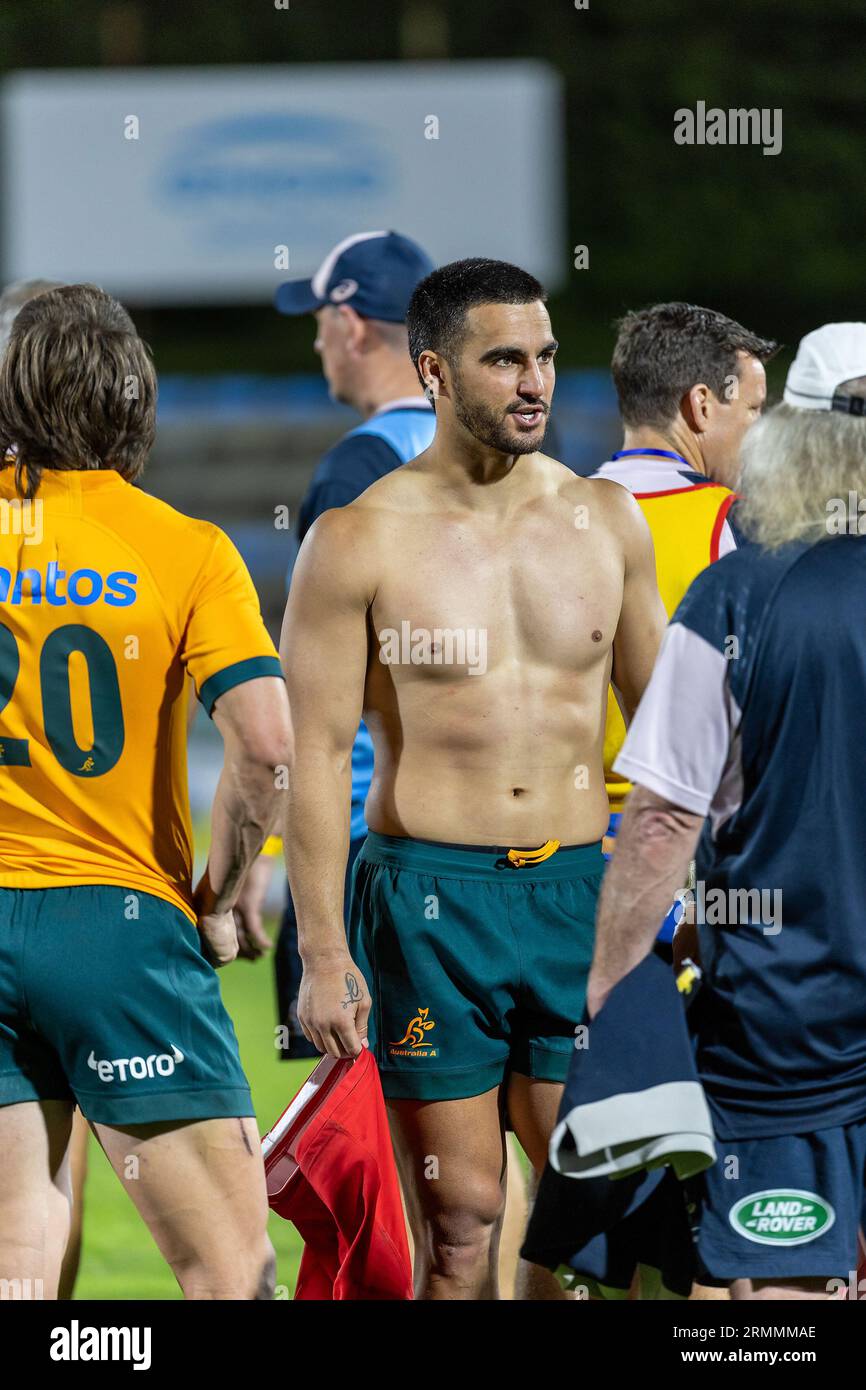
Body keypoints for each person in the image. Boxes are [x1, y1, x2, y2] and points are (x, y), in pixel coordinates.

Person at [281, 257, 667, 1299]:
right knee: (461, 1220)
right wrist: (320, 950)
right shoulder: (353, 538)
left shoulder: (605, 521)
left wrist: (693, 904)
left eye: (542, 355)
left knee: (610, 1200)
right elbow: (312, 756)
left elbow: (673, 743)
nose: (533, 379)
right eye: (503, 359)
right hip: (426, 909)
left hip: (575, 900)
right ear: (434, 374)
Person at [0, 285, 291, 1300]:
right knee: (228, 1270)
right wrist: (224, 886)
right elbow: (265, 746)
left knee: (19, 1256)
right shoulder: (182, 547)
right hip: (117, 924)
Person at [586, 323, 866, 1300]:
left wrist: (611, 986)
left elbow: (661, 817)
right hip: (791, 1015)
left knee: (767, 1292)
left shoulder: (733, 596)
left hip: (780, 1019)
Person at [239, 230, 436, 1058]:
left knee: (379, 1136)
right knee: (476, 1137)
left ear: (353, 324)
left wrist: (261, 841)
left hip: (369, 838)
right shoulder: (523, 458)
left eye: (320, 317)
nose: (316, 337)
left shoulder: (356, 469)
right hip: (490, 836)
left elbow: (314, 706)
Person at [594, 303, 776, 863]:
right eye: (753, 409)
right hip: (695, 839)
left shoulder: (549, 513)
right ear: (700, 405)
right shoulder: (740, 524)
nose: (760, 431)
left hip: (570, 845)